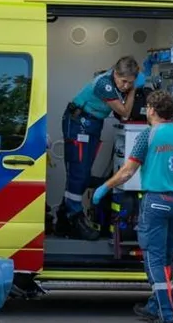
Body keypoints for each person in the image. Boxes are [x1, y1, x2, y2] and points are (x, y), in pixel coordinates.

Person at [92, 90, 173, 323]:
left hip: (156, 202)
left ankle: (167, 315)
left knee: (154, 258)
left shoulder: (148, 137)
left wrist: (104, 187)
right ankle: (154, 305)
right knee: (168, 257)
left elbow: (127, 172)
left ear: (151, 109)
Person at [58, 55, 149, 241]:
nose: (125, 86)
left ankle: (64, 218)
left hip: (92, 124)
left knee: (82, 172)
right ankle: (73, 218)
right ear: (115, 73)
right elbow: (124, 112)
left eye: (129, 82)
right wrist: (133, 90)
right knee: (79, 172)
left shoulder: (116, 84)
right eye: (124, 81)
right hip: (78, 123)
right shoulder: (104, 84)